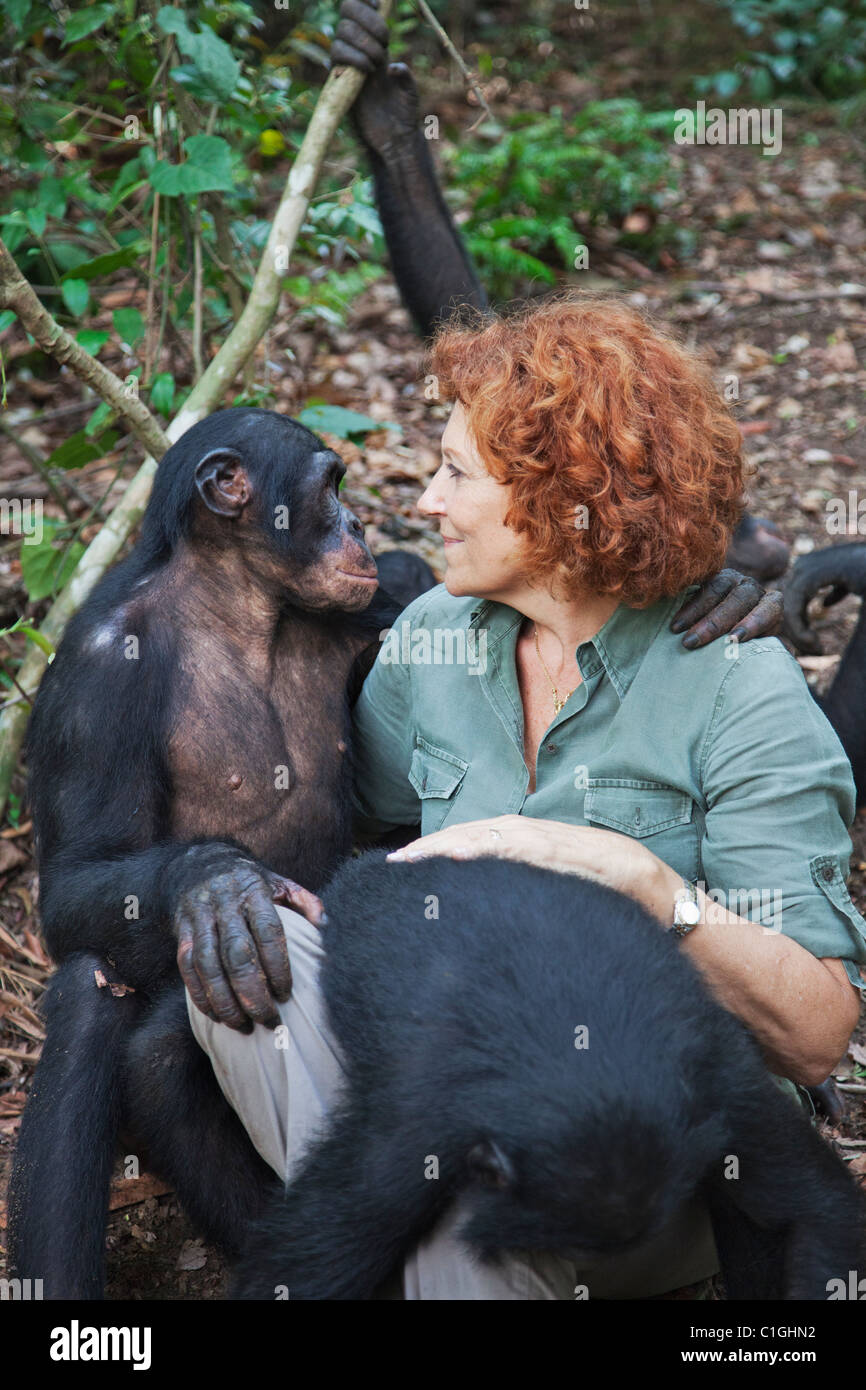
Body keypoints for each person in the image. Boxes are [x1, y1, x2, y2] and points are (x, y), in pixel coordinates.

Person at [187, 295, 865, 1299]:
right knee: (250, 956)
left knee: (455, 1214)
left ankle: (415, 1218)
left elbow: (814, 1035)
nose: (424, 502)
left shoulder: (737, 691)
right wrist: (208, 875)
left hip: (635, 1152)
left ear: (559, 496)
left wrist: (635, 880)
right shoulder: (430, 640)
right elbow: (334, 842)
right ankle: (399, 1202)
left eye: (456, 472)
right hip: (448, 1086)